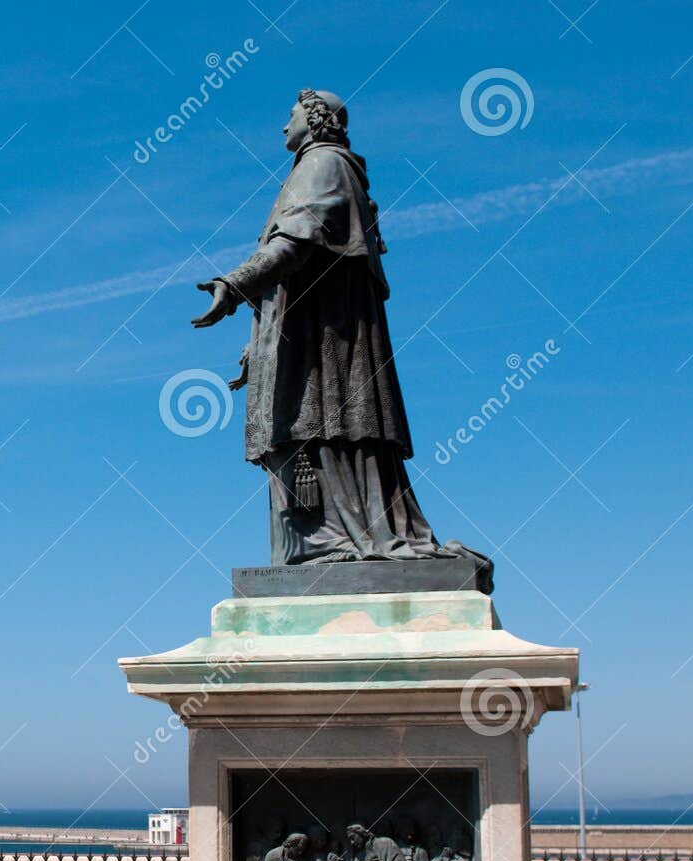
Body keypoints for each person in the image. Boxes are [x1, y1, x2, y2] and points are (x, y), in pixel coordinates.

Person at [191, 89, 486, 573]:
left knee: (320, 426)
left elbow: (293, 246)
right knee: (310, 431)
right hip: (307, 334)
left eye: (289, 116)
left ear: (315, 119)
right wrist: (258, 344)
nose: (281, 127)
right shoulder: (319, 167)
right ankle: (322, 543)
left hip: (323, 345)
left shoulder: (323, 165)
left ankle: (333, 543)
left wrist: (233, 285)